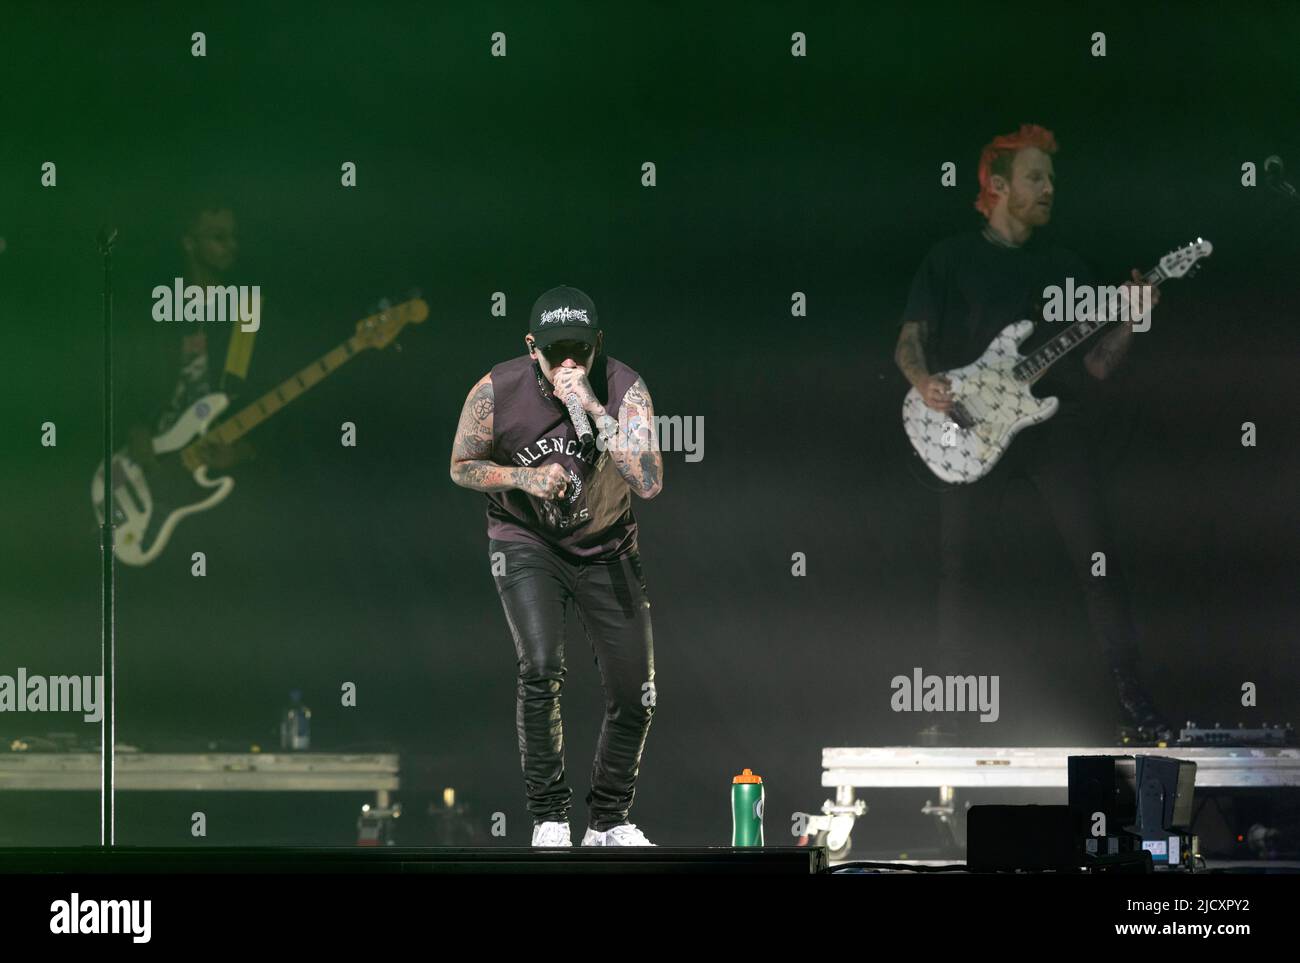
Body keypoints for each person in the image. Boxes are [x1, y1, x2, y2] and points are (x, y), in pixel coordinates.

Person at [893, 123, 1172, 745]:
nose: (1049, 188)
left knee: (1098, 557)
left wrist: (1133, 321)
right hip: (966, 425)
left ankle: (1134, 702)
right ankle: (945, 710)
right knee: (958, 568)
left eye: (1052, 178)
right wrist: (923, 381)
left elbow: (1097, 364)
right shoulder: (951, 258)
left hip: (1051, 427)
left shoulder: (1067, 269)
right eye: (1036, 177)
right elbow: (909, 339)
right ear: (997, 185)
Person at [449, 285, 664, 846]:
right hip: (527, 542)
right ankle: (548, 816)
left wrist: (593, 407)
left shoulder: (623, 388)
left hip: (607, 545)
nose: (568, 363)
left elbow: (648, 481)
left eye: (580, 351)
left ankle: (609, 821)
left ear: (597, 344)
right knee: (541, 666)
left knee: (634, 689)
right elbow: (462, 464)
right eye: (554, 352)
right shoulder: (495, 390)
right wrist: (522, 477)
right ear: (531, 347)